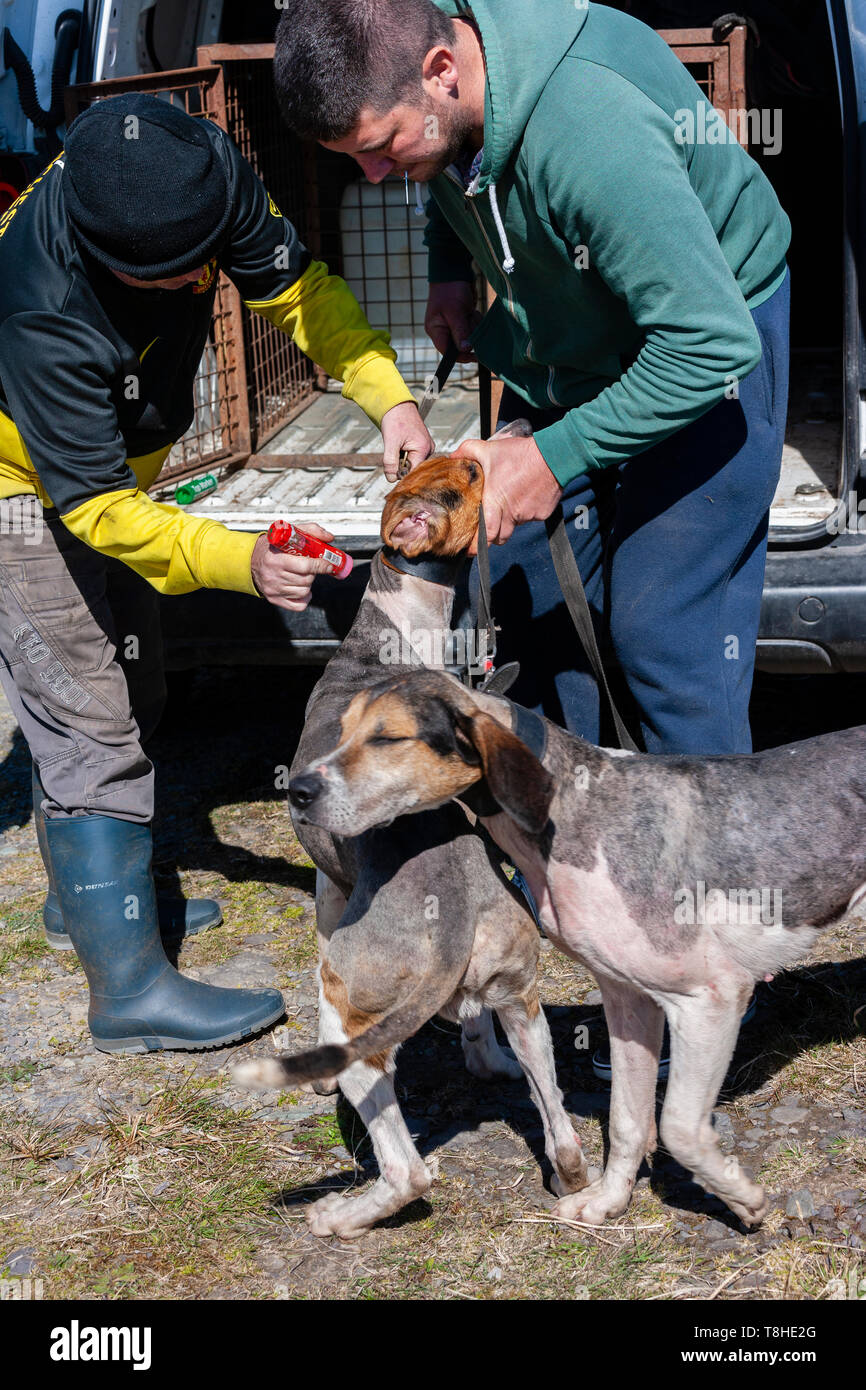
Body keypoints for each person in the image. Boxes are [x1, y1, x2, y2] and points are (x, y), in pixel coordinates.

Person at [274, 0, 791, 1074]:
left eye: (378, 150)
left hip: (702, 349)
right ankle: (613, 944)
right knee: (538, 632)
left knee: (664, 644)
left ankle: (724, 974)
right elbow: (448, 172)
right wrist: (455, 267)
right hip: (580, 348)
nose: (372, 177)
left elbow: (704, 340)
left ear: (438, 69)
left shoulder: (585, 128)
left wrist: (553, 458)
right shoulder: (446, 105)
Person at [0, 93, 433, 1055]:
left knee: (138, 676)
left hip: (111, 474)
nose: (205, 278)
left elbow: (302, 293)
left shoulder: (195, 172)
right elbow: (96, 512)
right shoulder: (37, 304)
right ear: (106, 251)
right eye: (175, 274)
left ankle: (89, 907)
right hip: (22, 492)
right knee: (85, 712)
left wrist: (390, 399)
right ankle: (128, 994)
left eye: (206, 256)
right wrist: (239, 561)